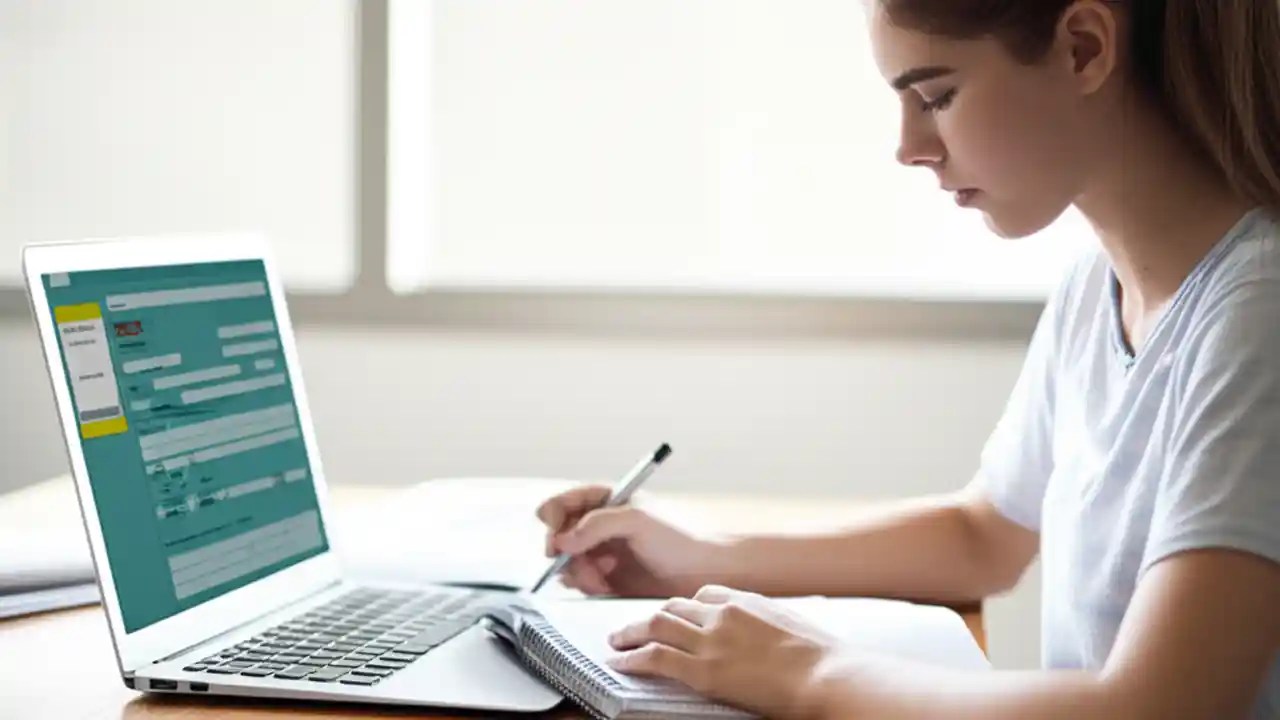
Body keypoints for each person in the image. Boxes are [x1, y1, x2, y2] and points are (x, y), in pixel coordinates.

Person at [534, 1, 1280, 718]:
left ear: (1083, 48)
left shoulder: (1257, 316)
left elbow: (1163, 706)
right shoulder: (1099, 285)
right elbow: (984, 537)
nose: (909, 147)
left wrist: (810, 674)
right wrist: (701, 556)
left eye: (937, 96)